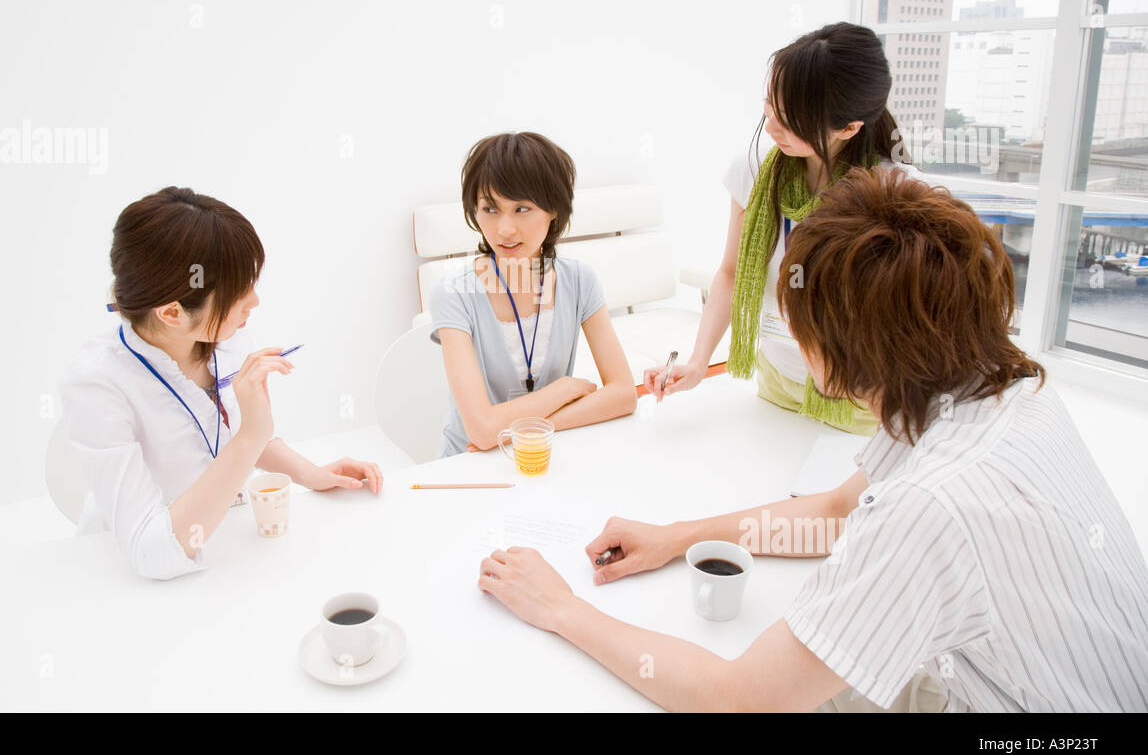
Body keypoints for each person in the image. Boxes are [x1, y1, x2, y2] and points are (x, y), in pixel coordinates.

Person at [478, 167, 1148, 712]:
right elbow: (834, 512)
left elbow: (738, 700)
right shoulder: (1008, 390)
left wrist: (562, 609)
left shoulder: (932, 509)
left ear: (844, 352)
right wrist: (678, 536)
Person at [60, 186, 383, 581]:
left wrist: (310, 473)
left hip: (226, 539)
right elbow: (152, 552)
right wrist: (250, 436)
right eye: (237, 292)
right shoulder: (96, 384)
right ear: (172, 313)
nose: (254, 303)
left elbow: (233, 435)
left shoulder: (220, 339)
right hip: (142, 575)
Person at [646, 22, 922, 435]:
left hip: (862, 396)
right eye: (771, 108)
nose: (773, 129)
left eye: (793, 121)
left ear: (849, 128)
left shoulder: (893, 190)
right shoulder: (755, 168)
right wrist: (699, 361)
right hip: (777, 381)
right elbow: (731, 272)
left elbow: (900, 313)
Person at [429, 133, 636, 458]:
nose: (504, 229)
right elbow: (481, 431)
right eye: (489, 209)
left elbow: (624, 395)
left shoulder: (579, 280)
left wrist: (513, 430)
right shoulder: (455, 292)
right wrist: (564, 390)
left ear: (554, 209)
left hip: (546, 456)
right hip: (470, 468)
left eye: (522, 208)